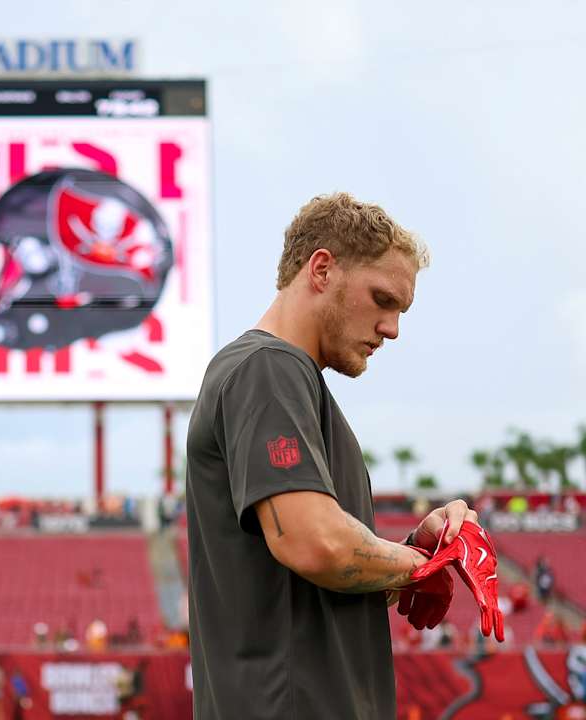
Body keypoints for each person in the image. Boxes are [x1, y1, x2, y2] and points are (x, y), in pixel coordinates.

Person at [185, 193, 499, 719]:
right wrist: (425, 565)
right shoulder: (269, 369)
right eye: (382, 299)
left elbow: (313, 590)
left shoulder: (289, 380)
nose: (392, 328)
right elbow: (316, 544)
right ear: (322, 269)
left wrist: (409, 552)